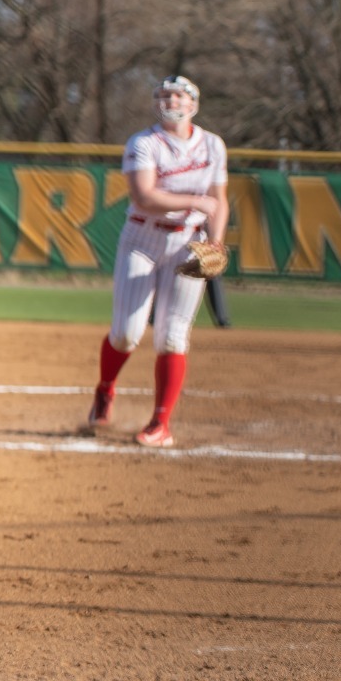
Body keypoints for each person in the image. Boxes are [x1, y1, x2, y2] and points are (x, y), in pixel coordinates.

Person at [84, 76, 229, 448]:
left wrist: (216, 240)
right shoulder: (144, 142)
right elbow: (144, 196)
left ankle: (160, 424)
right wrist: (196, 204)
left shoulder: (212, 144)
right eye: (164, 94)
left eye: (179, 95)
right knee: (126, 333)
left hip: (188, 242)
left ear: (193, 104)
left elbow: (219, 199)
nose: (171, 100)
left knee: (173, 336)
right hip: (142, 239)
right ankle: (105, 389)